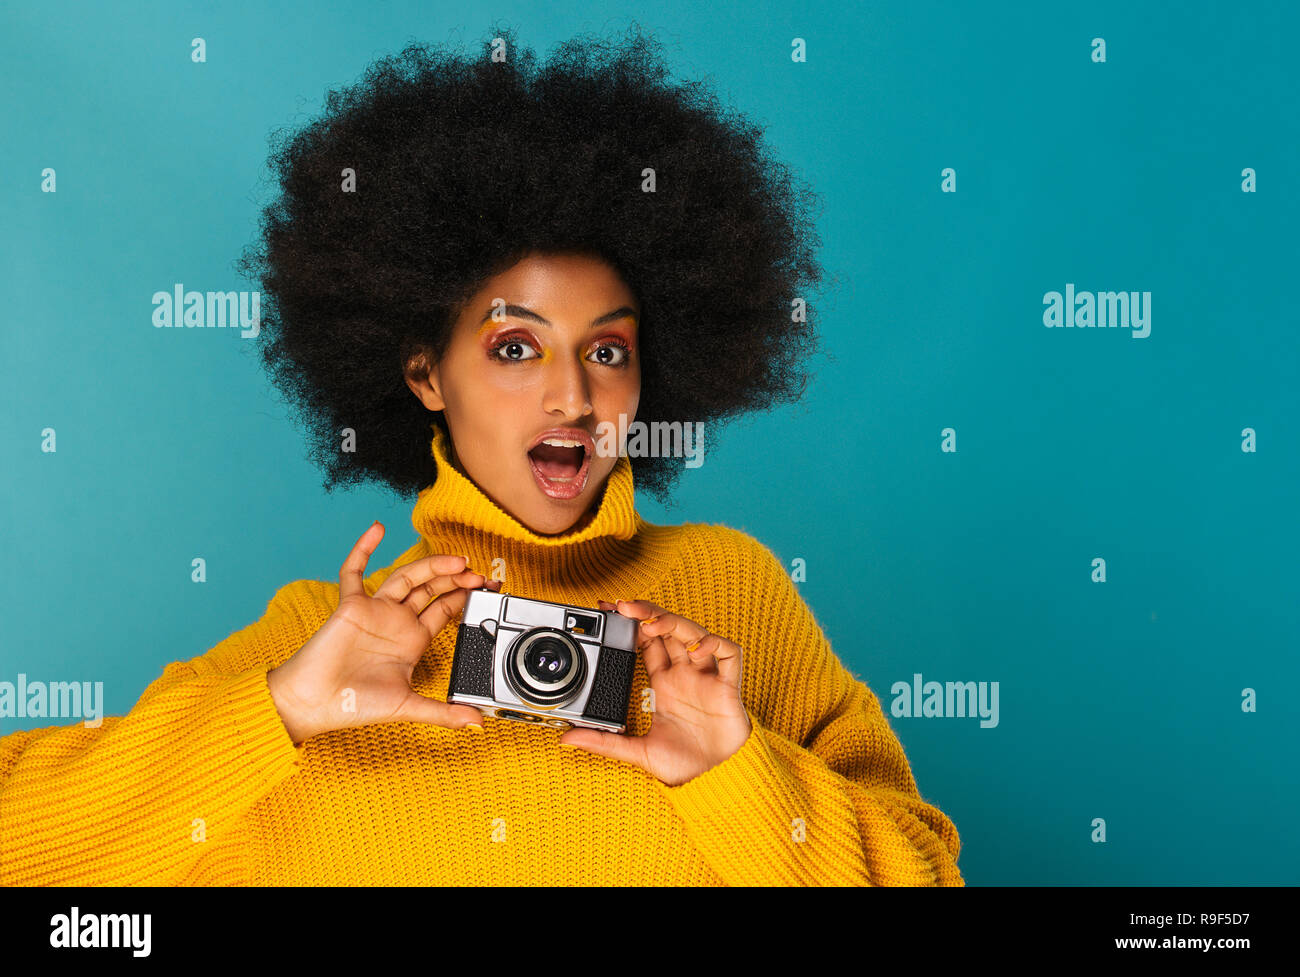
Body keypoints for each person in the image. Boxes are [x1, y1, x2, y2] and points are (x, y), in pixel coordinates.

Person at [0, 24, 963, 886]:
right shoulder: (321, 638)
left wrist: (740, 772)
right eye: (514, 348)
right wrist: (278, 714)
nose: (573, 398)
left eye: (608, 351)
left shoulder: (731, 597)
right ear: (426, 372)